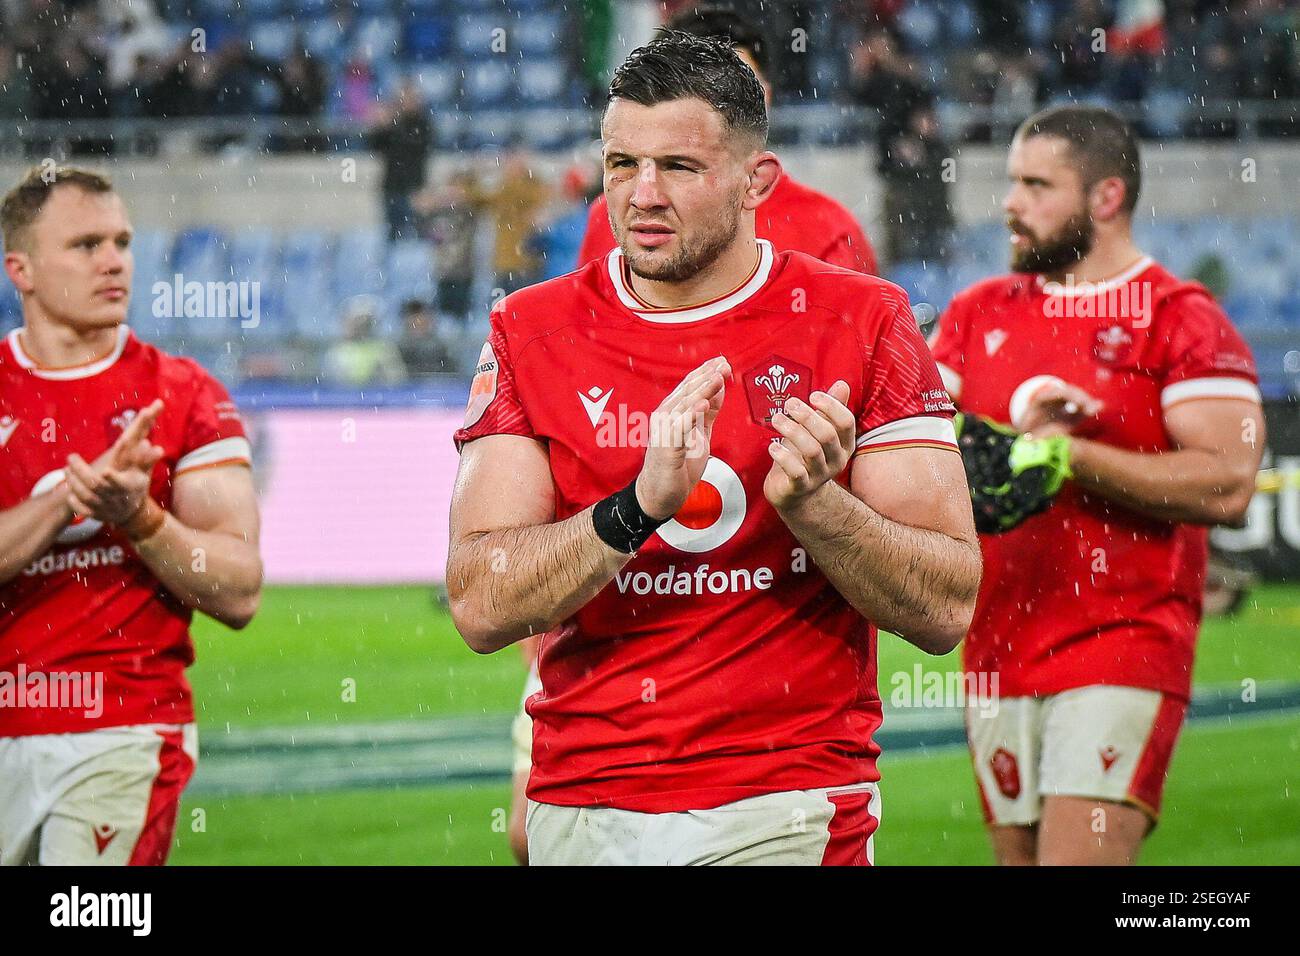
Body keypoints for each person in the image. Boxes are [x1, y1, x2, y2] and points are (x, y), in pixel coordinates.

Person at [448, 31, 979, 867]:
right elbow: (479, 603)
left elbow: (946, 608)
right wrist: (636, 510)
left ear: (756, 180)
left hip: (784, 802)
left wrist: (815, 504)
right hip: (582, 806)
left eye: (680, 168)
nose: (642, 195)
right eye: (621, 164)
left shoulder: (867, 320)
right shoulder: (529, 330)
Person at [930, 106, 1265, 866]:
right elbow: (908, 438)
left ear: (1106, 198)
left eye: (1036, 185)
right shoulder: (975, 312)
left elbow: (1227, 481)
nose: (1010, 203)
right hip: (996, 643)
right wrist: (996, 445)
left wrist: (1075, 457)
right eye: (1012, 182)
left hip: (1123, 641)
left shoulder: (1181, 319)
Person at [0, 166, 262, 865]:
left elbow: (239, 589)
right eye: (86, 245)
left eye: (122, 241)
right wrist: (70, 499)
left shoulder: (184, 395)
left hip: (122, 726)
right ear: (19, 269)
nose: (114, 260)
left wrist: (140, 517)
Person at [577, 5, 878, 276]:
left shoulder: (827, 229)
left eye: (740, 90)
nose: (719, 107)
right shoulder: (614, 217)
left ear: (765, 98)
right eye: (697, 89)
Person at [370, 80, 436, 242]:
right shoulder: (393, 124)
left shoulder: (423, 124)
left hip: (414, 188)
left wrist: (392, 125)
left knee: (418, 235)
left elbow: (416, 145)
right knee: (392, 235)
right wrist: (380, 126)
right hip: (392, 187)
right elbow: (375, 146)